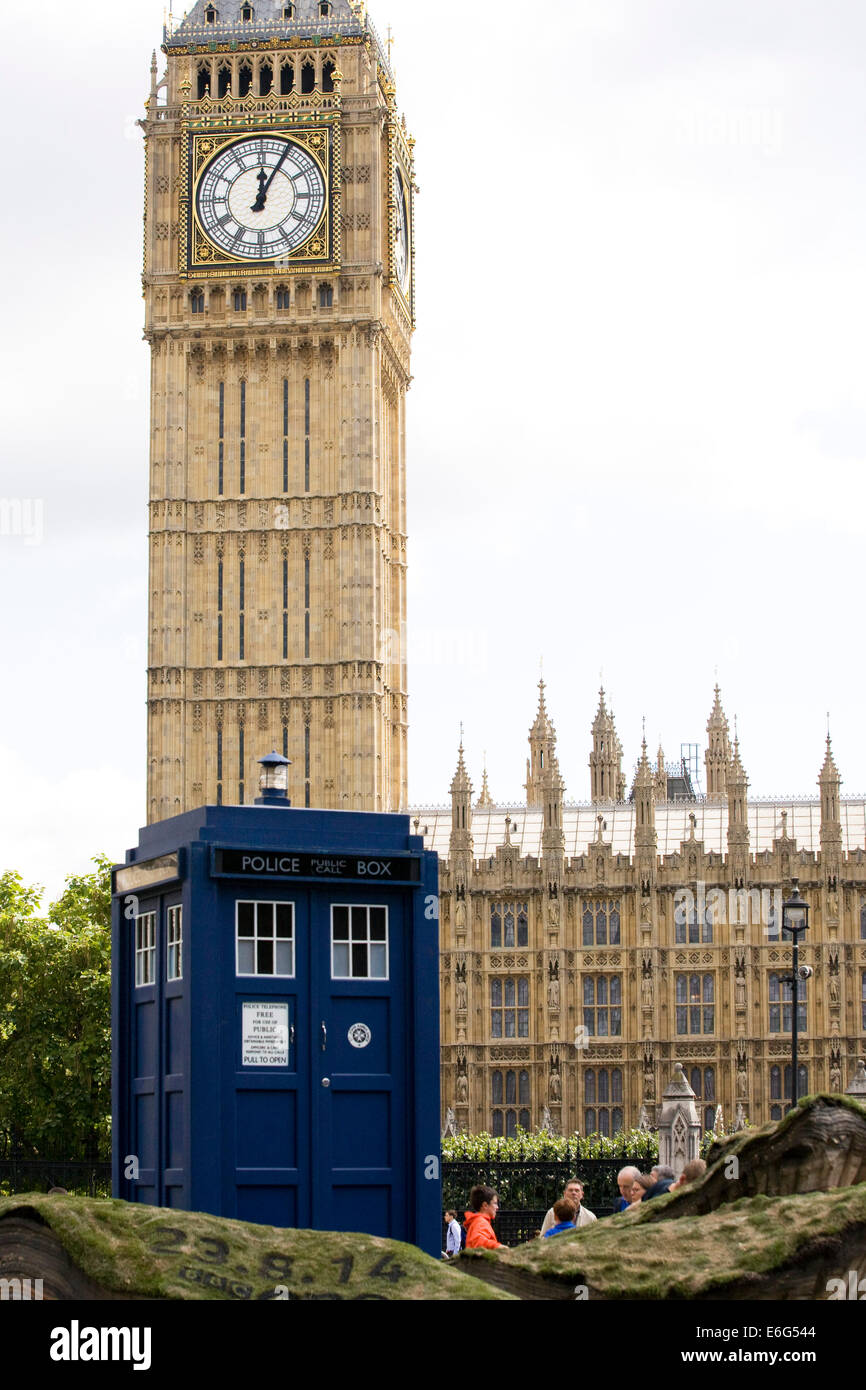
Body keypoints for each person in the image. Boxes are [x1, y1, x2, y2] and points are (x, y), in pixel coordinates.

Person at [463, 1185, 505, 1250]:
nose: (497, 1207)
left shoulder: (478, 1221)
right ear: (485, 1205)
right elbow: (478, 1241)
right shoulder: (481, 1222)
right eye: (495, 1203)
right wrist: (498, 1247)